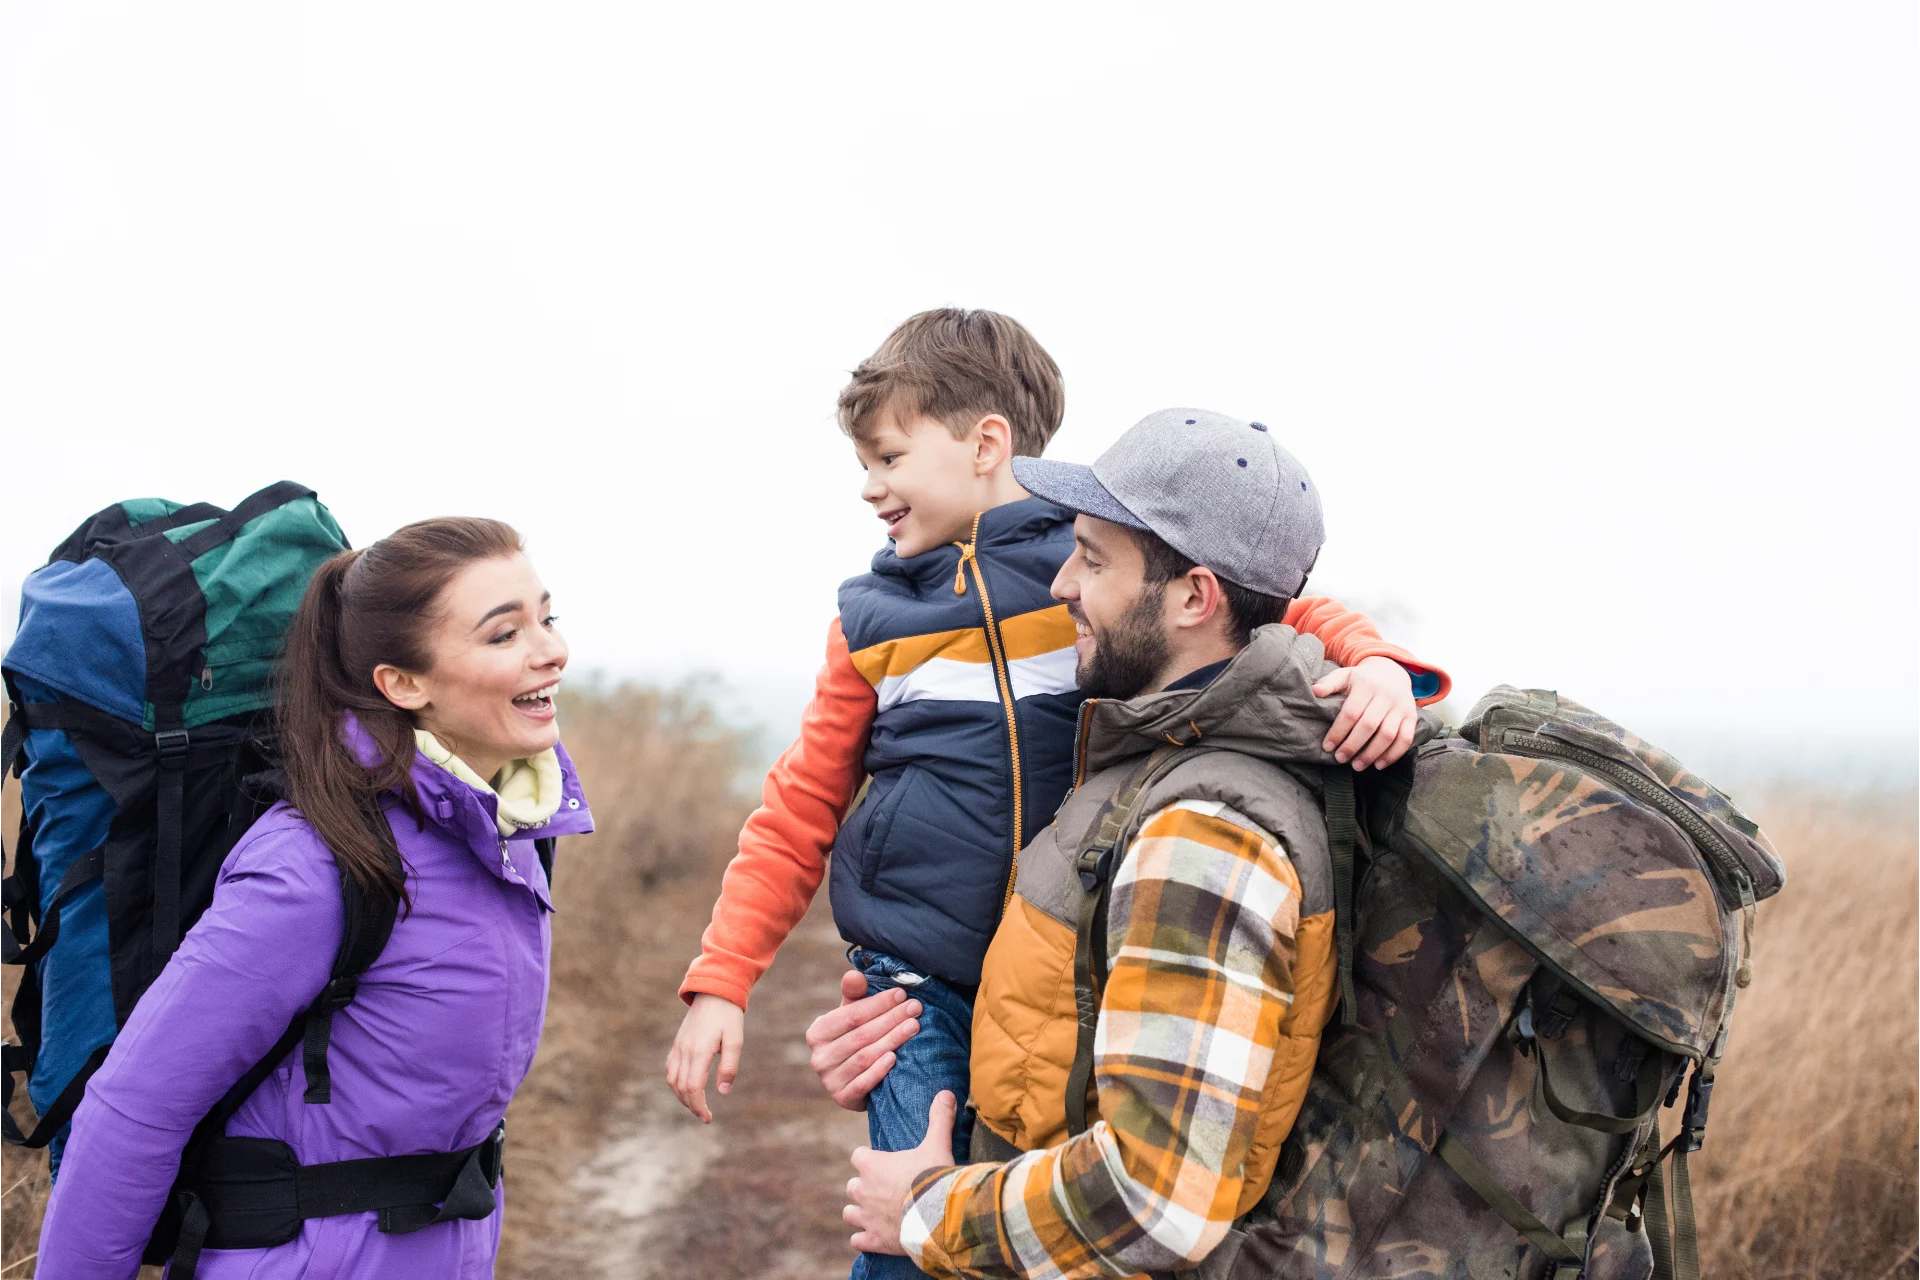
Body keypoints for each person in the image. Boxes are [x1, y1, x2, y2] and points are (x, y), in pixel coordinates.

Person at [665, 308, 1450, 1280]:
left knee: (939, 1212)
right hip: (920, 971)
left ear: (987, 442)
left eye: (889, 456)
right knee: (902, 1239)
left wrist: (1375, 662)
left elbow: (1277, 597)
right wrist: (723, 975)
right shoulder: (873, 624)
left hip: (1061, 955)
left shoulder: (1100, 576)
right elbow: (798, 804)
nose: (869, 486)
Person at [817, 408, 1385, 1278]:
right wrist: (905, 1038)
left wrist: (928, 1211)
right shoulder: (1149, 757)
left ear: (1195, 596)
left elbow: (1155, 1204)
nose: (1060, 587)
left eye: (1092, 560)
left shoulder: (1205, 834)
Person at [36, 517, 591, 1279]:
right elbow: (134, 1110)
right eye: (504, 634)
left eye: (546, 616)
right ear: (402, 684)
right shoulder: (312, 867)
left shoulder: (508, 829)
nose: (552, 649)